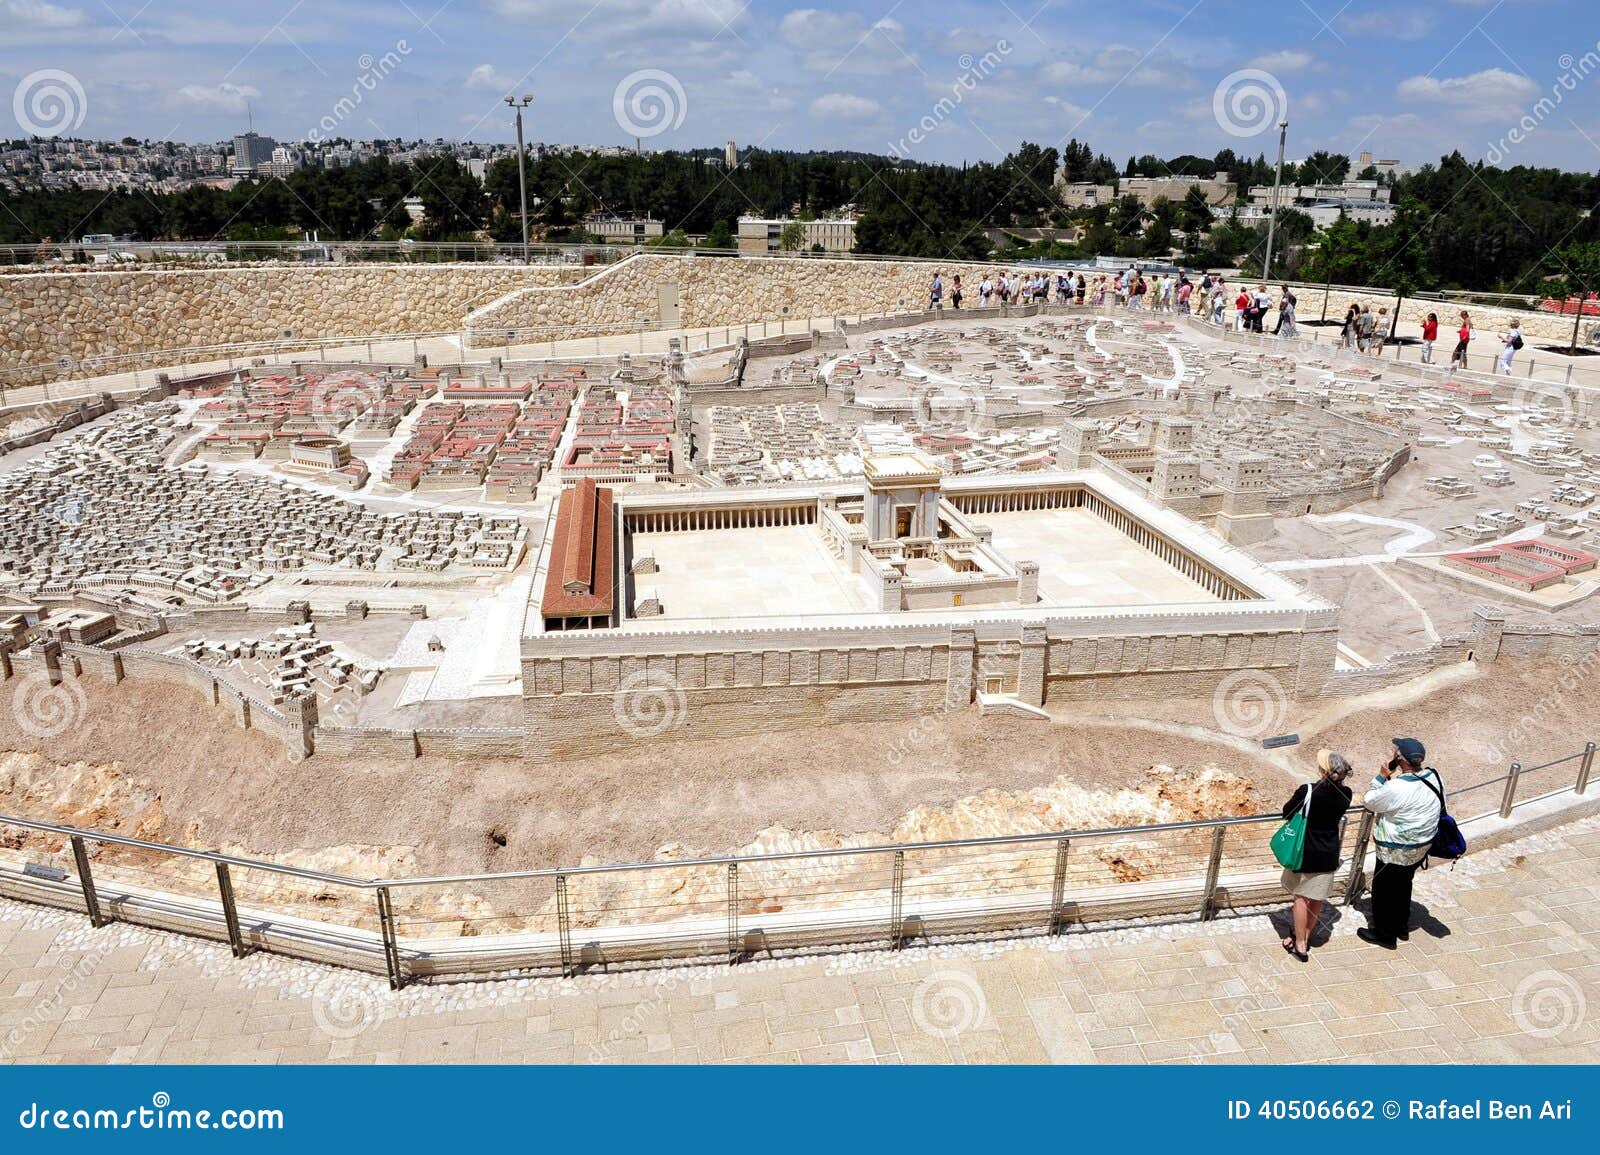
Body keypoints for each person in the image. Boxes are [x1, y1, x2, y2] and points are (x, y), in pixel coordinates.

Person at [1357, 737, 1443, 950]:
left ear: (1400, 760)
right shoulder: (1434, 776)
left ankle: (1385, 935)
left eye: (1396, 753)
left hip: (1395, 849)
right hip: (1421, 846)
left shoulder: (1396, 787)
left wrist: (1381, 776)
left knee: (1384, 890)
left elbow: (1370, 801)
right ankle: (1401, 926)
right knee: (1404, 884)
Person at [1278, 750, 1355, 961]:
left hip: (1305, 852)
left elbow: (1287, 812)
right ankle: (1305, 936)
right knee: (1316, 898)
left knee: (1300, 898)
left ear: (1323, 770)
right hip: (1329, 852)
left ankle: (1300, 945)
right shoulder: (1346, 794)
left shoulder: (1308, 791)